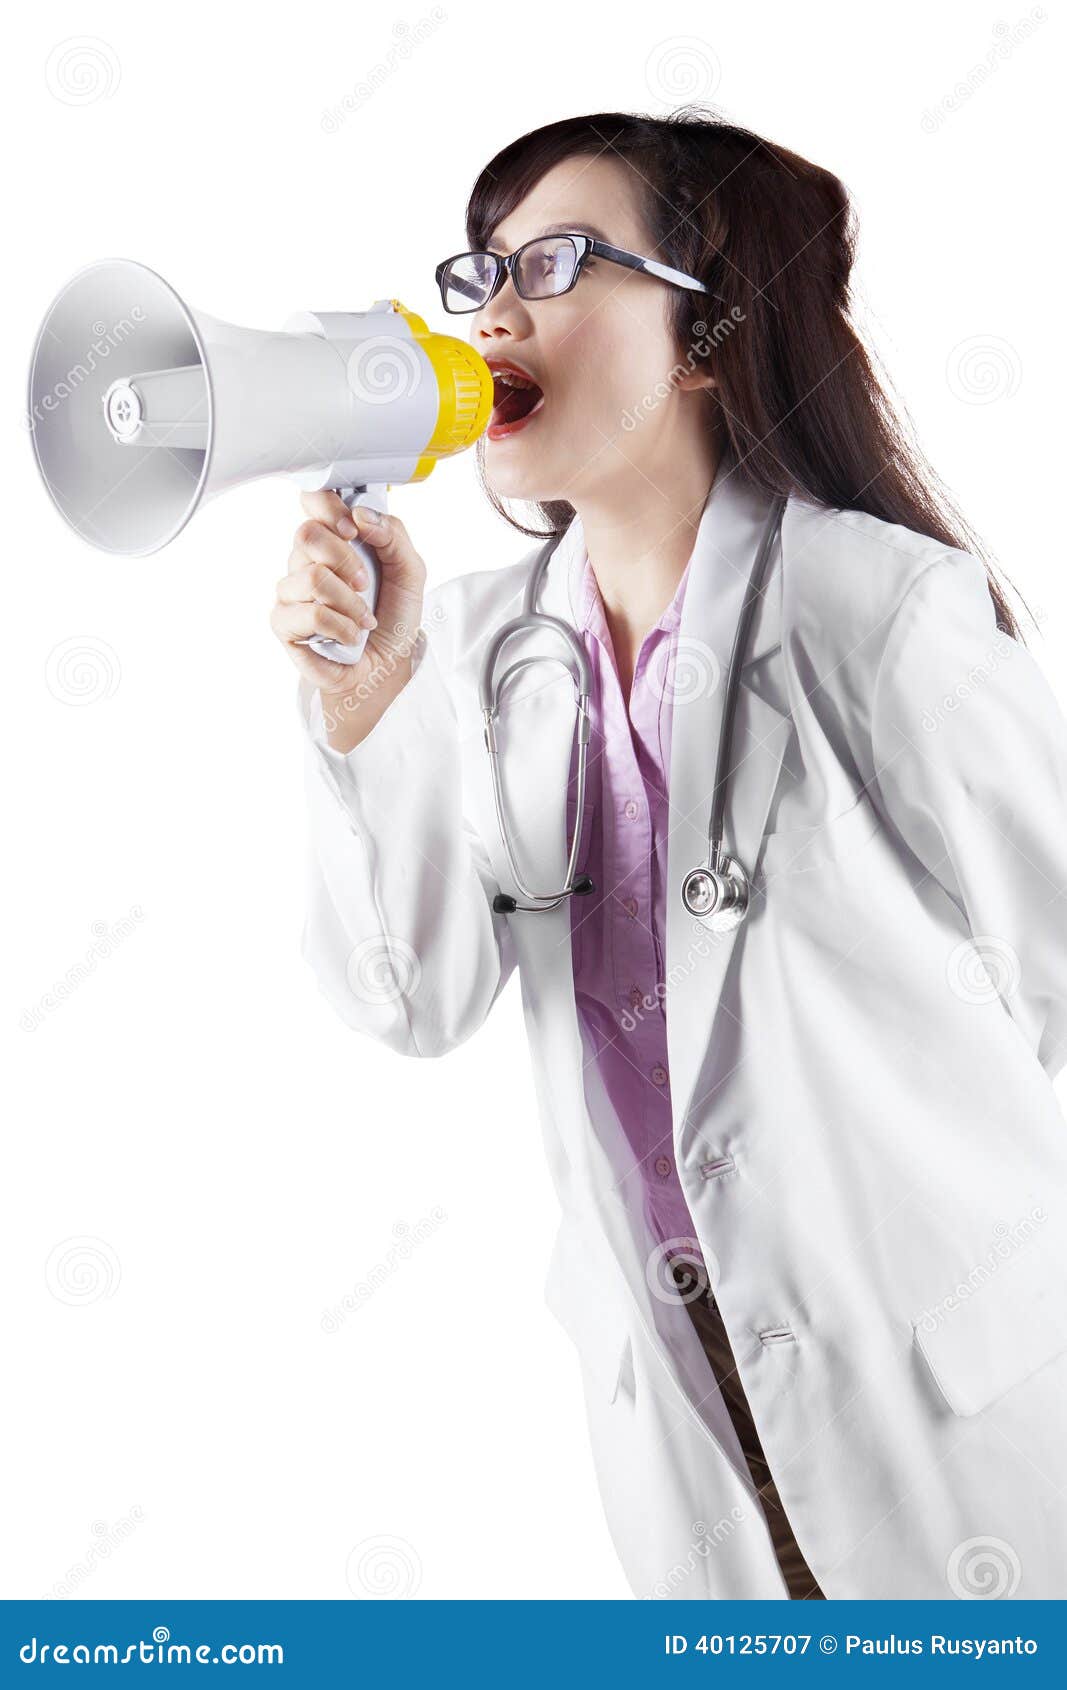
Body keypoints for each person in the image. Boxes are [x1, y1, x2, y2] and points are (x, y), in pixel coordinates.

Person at [272, 110, 1067, 1600]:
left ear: (709, 333)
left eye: (559, 262)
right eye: (484, 270)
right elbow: (413, 998)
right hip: (689, 1431)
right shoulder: (480, 645)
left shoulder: (879, 613)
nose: (497, 309)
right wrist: (364, 703)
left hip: (960, 1419)